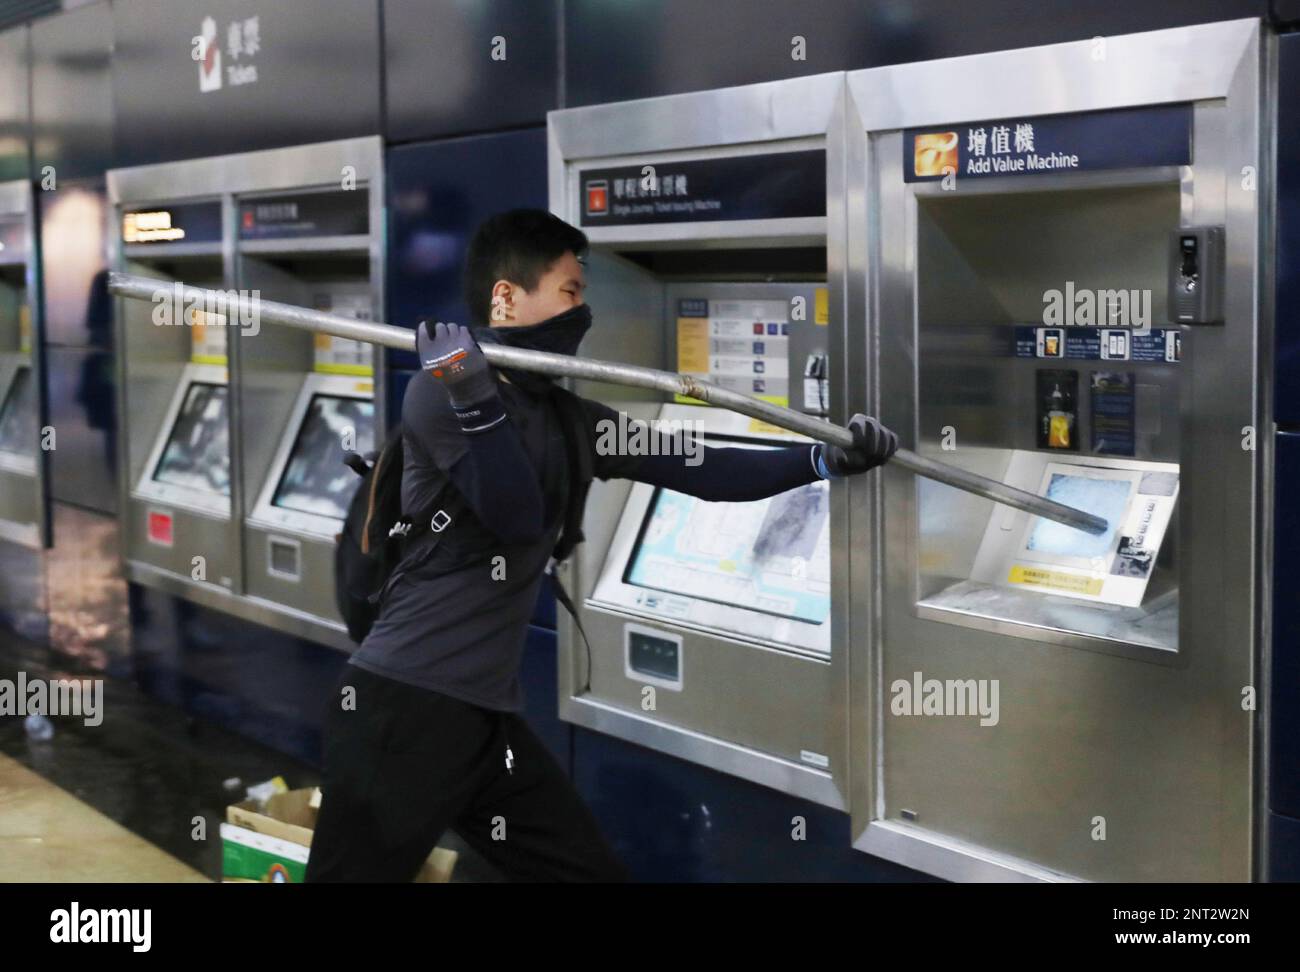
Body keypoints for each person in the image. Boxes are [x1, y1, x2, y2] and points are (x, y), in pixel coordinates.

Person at [305, 209, 897, 882]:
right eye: (569, 291)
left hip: (482, 723)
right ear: (506, 297)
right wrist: (472, 391)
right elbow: (516, 516)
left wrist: (825, 460)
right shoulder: (437, 397)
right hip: (401, 713)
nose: (581, 311)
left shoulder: (570, 420)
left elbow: (704, 467)